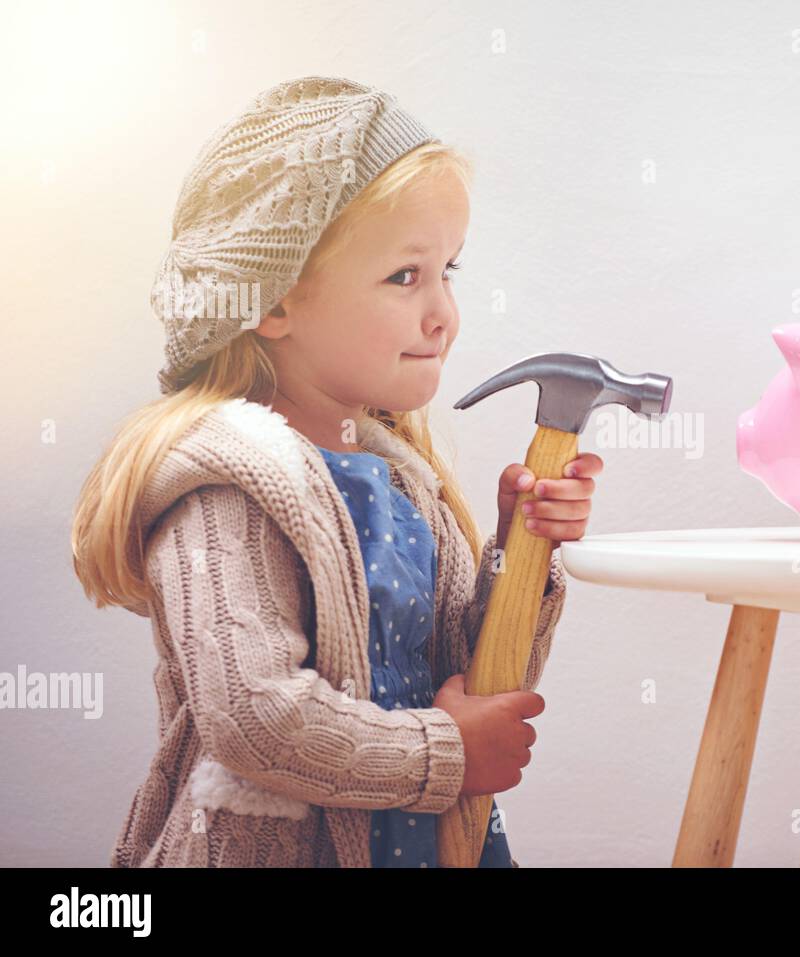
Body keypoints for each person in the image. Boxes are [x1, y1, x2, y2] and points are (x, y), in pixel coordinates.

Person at [70, 76, 602, 867]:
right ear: (274, 301)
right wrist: (446, 754)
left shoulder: (399, 482)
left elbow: (476, 677)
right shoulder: (227, 490)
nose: (443, 314)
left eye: (449, 270)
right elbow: (255, 718)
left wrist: (519, 555)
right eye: (404, 276)